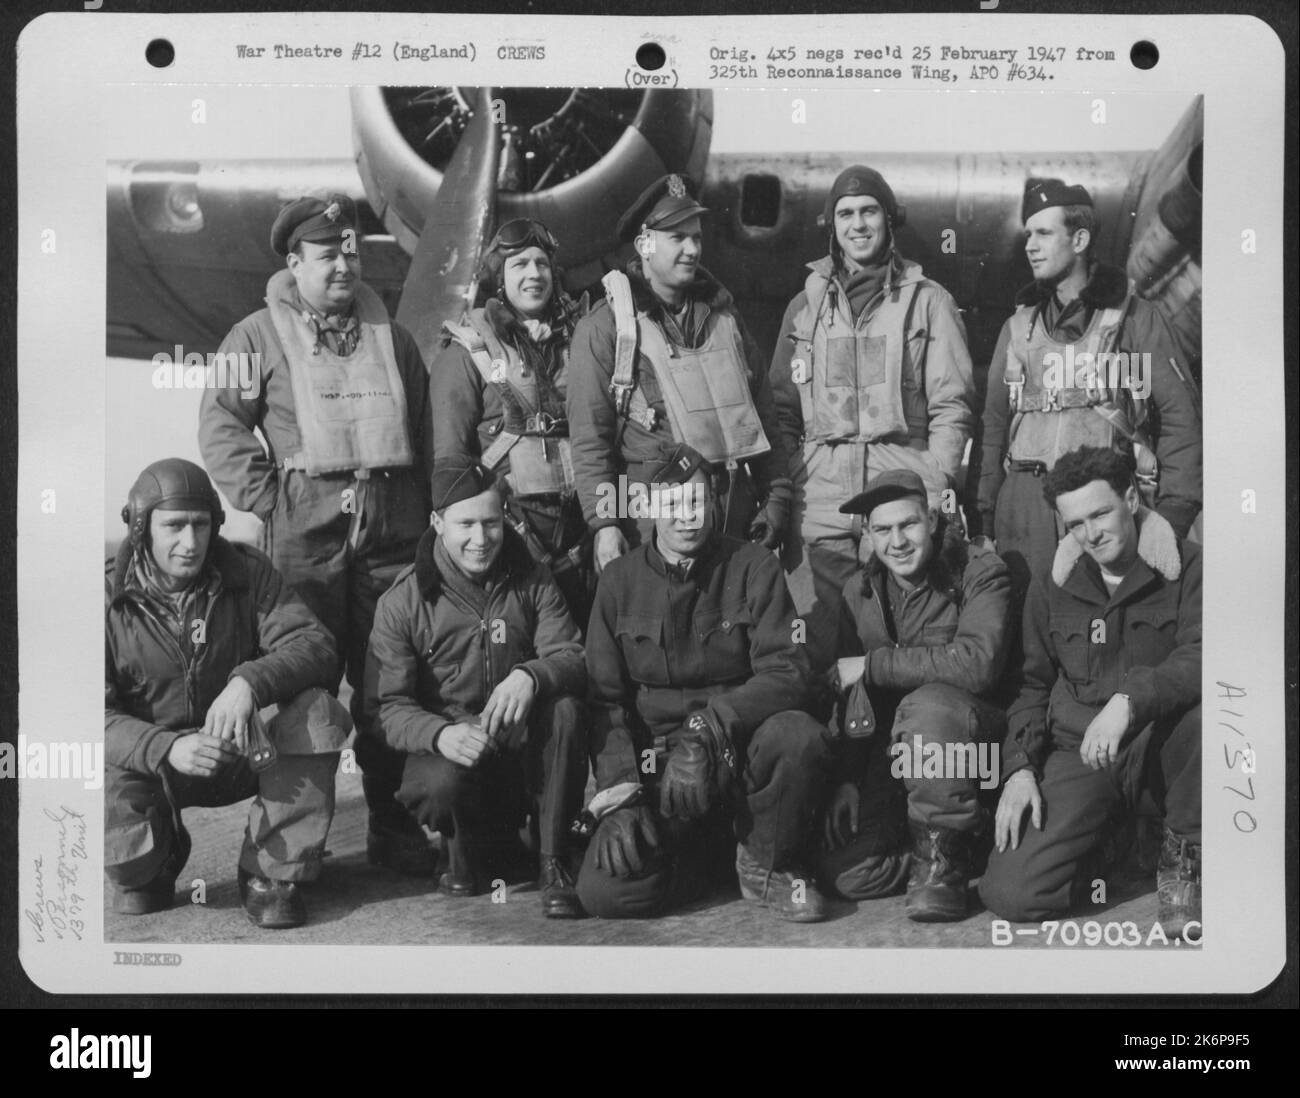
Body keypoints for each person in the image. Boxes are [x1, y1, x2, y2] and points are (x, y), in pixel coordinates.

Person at [198, 193, 435, 877]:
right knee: (305, 689)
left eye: (352, 250)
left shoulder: (394, 337)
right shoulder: (253, 337)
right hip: (305, 538)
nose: (344, 264)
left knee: (394, 679)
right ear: (295, 261)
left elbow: (422, 431)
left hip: (392, 536)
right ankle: (288, 857)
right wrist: (272, 500)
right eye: (329, 254)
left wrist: (417, 516)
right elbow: (220, 425)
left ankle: (396, 828)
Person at [576, 445, 832, 922]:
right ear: (649, 509)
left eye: (696, 502)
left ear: (714, 502)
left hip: (738, 752)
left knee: (798, 735)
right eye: (672, 505)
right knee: (607, 893)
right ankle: (712, 858)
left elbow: (790, 669)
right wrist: (622, 792)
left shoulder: (754, 565)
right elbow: (604, 701)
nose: (687, 517)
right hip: (664, 774)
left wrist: (711, 725)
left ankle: (768, 864)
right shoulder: (617, 582)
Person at [105, 459, 350, 929]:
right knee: (135, 878)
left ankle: (270, 871)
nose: (191, 543)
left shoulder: (248, 572)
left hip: (242, 749)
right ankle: (155, 855)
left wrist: (248, 683)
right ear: (140, 527)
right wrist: (167, 747)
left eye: (201, 525)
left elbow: (314, 645)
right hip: (153, 764)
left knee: (319, 713)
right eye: (173, 526)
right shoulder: (105, 595)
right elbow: (81, 712)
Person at [978, 447, 1201, 936]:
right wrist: (1018, 769)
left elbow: (1202, 654)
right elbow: (1031, 683)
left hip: (1161, 748)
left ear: (1131, 497)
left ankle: (1184, 858)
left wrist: (1129, 701)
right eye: (1075, 523)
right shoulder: (1053, 582)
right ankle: (1110, 839)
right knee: (1013, 894)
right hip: (1081, 753)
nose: (1091, 534)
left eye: (1100, 514)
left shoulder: (1188, 566)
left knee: (1206, 720)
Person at [770, 165, 976, 673]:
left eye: (868, 212)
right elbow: (780, 408)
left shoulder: (930, 303)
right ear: (831, 226)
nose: (857, 224)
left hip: (898, 506)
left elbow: (953, 406)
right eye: (845, 214)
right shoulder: (804, 308)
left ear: (889, 220)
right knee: (819, 654)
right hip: (820, 510)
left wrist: (930, 484)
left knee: (897, 651)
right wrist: (798, 477)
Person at [363, 463, 589, 918]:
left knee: (565, 709)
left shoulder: (534, 578)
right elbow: (384, 707)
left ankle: (553, 861)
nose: (481, 539)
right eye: (466, 524)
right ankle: (464, 851)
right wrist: (439, 734)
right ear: (437, 523)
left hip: (521, 749)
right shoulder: (402, 602)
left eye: (491, 522)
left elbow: (574, 655)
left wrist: (531, 675)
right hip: (456, 756)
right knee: (439, 785)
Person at [972, 179, 1202, 605]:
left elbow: (1180, 420)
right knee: (1028, 648)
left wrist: (1171, 518)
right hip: (1023, 515)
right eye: (1028, 235)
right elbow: (993, 428)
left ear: (1079, 239)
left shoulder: (1136, 320)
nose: (1030, 246)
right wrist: (985, 519)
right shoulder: (1017, 330)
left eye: (1044, 233)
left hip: (1102, 511)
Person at [566, 173, 793, 572]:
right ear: (644, 244)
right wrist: (604, 524)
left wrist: (775, 501)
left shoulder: (727, 320)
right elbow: (590, 441)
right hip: (652, 528)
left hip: (731, 527)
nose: (691, 250)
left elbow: (765, 420)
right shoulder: (604, 329)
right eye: (678, 238)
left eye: (697, 238)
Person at [820, 469, 1012, 921]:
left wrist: (874, 664)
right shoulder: (859, 591)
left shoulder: (979, 571)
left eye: (908, 525)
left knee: (927, 707)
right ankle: (957, 848)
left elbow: (977, 664)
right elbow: (852, 699)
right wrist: (848, 776)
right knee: (849, 874)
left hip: (971, 743)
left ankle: (942, 866)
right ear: (868, 535)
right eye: (883, 530)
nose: (898, 542)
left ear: (931, 518)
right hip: (896, 753)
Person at [430, 218, 593, 628]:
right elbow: (450, 458)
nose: (534, 274)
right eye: (519, 265)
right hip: (508, 533)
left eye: (541, 263)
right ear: (499, 278)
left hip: (582, 530)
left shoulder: (588, 338)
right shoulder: (467, 351)